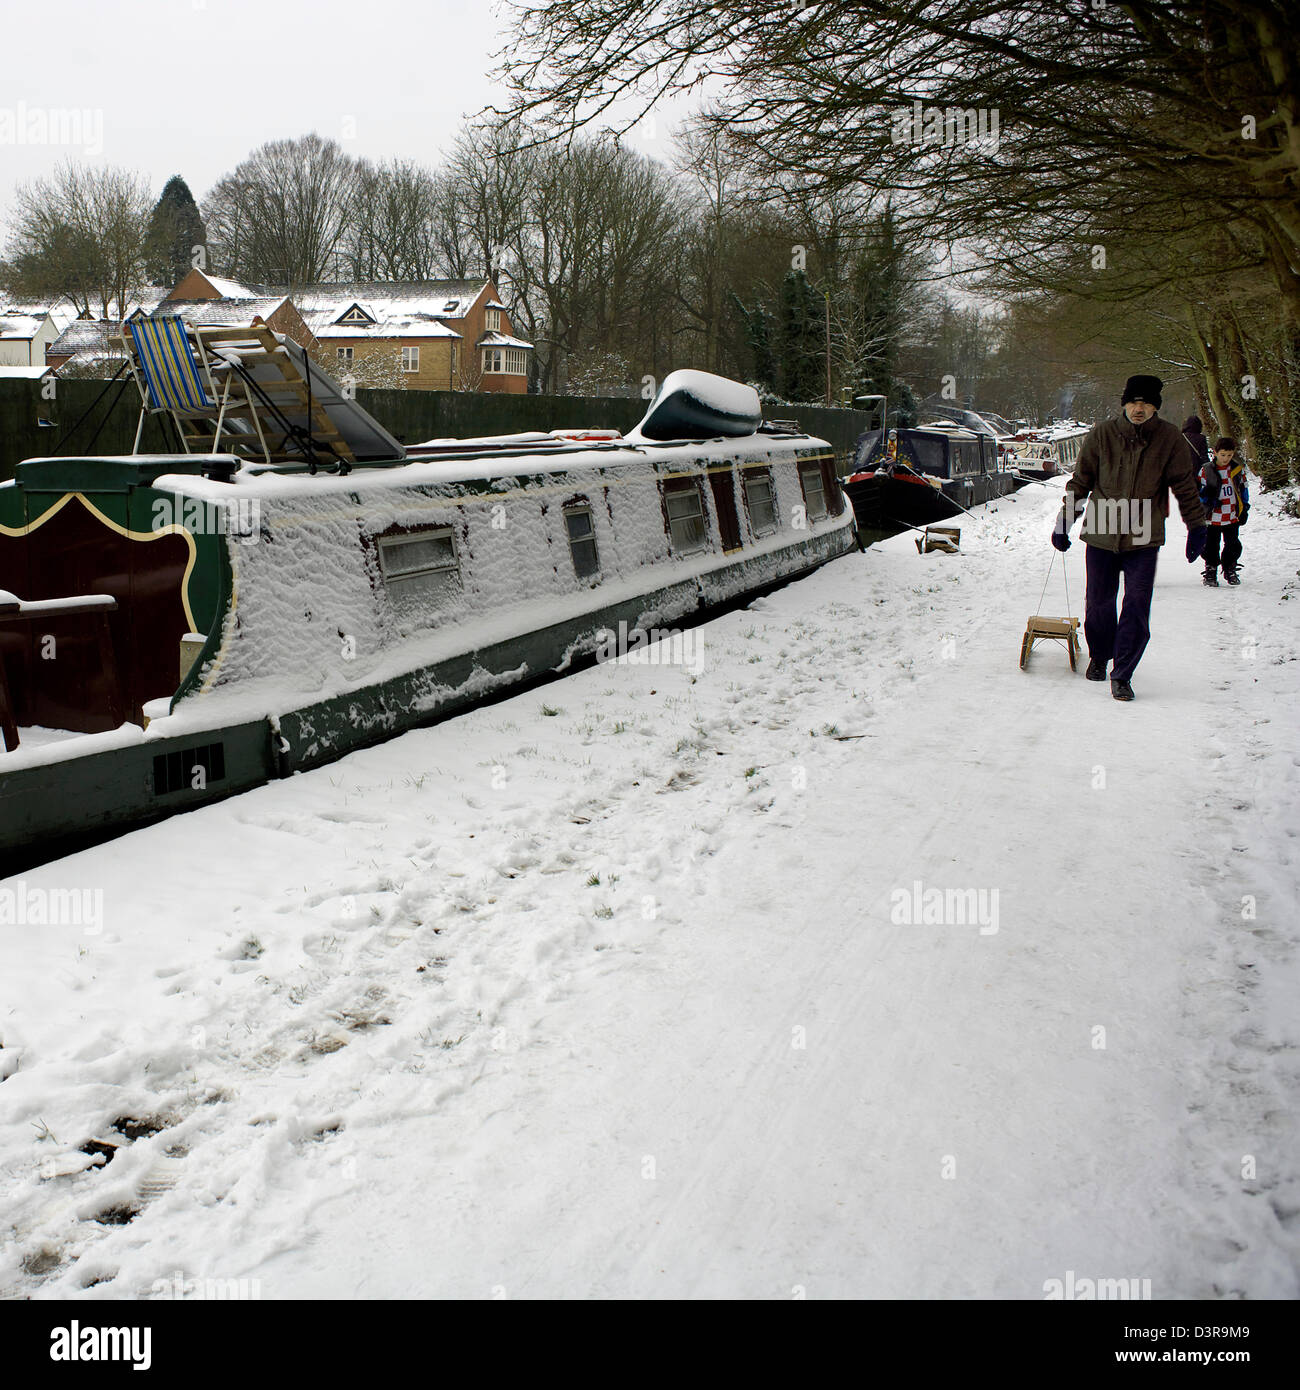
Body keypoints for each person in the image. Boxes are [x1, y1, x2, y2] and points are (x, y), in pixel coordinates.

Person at [1051, 374, 1207, 701]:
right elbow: (1080, 483)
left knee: (1136, 604)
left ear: (1155, 407)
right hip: (1102, 529)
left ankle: (1122, 672)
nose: (1139, 408)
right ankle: (1100, 654)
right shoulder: (1102, 435)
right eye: (1134, 401)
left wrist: (1197, 526)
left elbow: (1185, 486)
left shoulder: (1169, 439)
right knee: (1099, 603)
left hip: (1143, 534)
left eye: (1147, 403)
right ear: (1124, 403)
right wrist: (1064, 521)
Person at [1198, 437, 1249, 586]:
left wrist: (1244, 507)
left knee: (1232, 544)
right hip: (1212, 516)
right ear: (1215, 453)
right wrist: (1207, 497)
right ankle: (1211, 570)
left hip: (1232, 515)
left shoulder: (1237, 470)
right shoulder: (1206, 470)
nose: (1226, 458)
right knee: (1211, 545)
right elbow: (1198, 491)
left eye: (1229, 455)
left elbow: (1243, 489)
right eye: (1223, 455)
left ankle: (1230, 568)